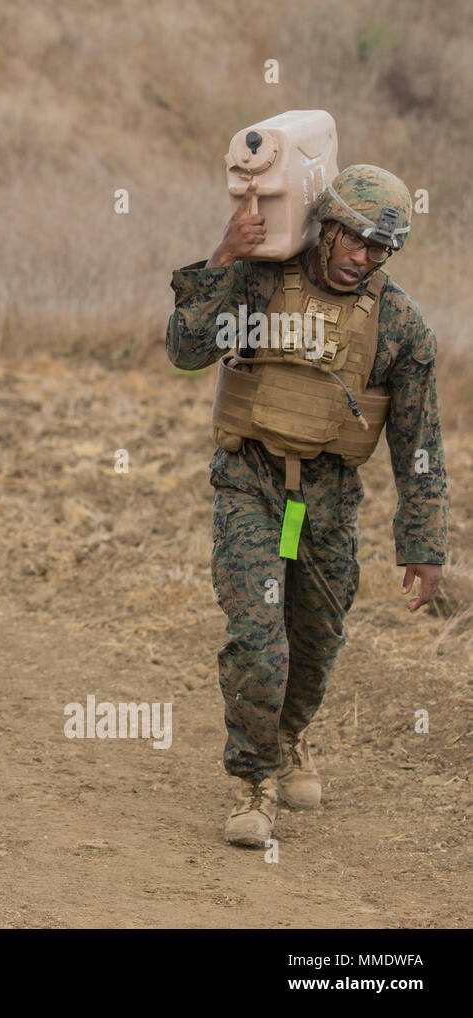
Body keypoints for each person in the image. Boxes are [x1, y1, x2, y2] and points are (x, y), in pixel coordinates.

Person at [166, 165, 447, 847]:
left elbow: (419, 443)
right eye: (355, 241)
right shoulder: (261, 281)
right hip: (250, 482)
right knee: (260, 641)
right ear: (326, 225)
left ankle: (288, 735)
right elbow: (185, 349)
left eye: (380, 250)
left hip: (327, 499)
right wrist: (225, 254)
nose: (364, 258)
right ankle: (254, 780)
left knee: (316, 643)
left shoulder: (400, 323)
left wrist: (423, 543)